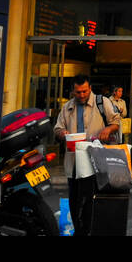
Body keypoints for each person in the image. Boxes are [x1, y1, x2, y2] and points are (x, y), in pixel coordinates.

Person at [53, 75, 121, 233]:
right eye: (78, 92)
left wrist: (108, 129)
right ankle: (79, 230)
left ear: (90, 88)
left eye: (84, 91)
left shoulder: (101, 102)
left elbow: (116, 122)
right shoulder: (67, 107)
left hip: (96, 162)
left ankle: (92, 230)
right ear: (73, 92)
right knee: (75, 202)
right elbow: (57, 129)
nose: (81, 95)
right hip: (75, 164)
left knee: (93, 200)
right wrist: (63, 133)